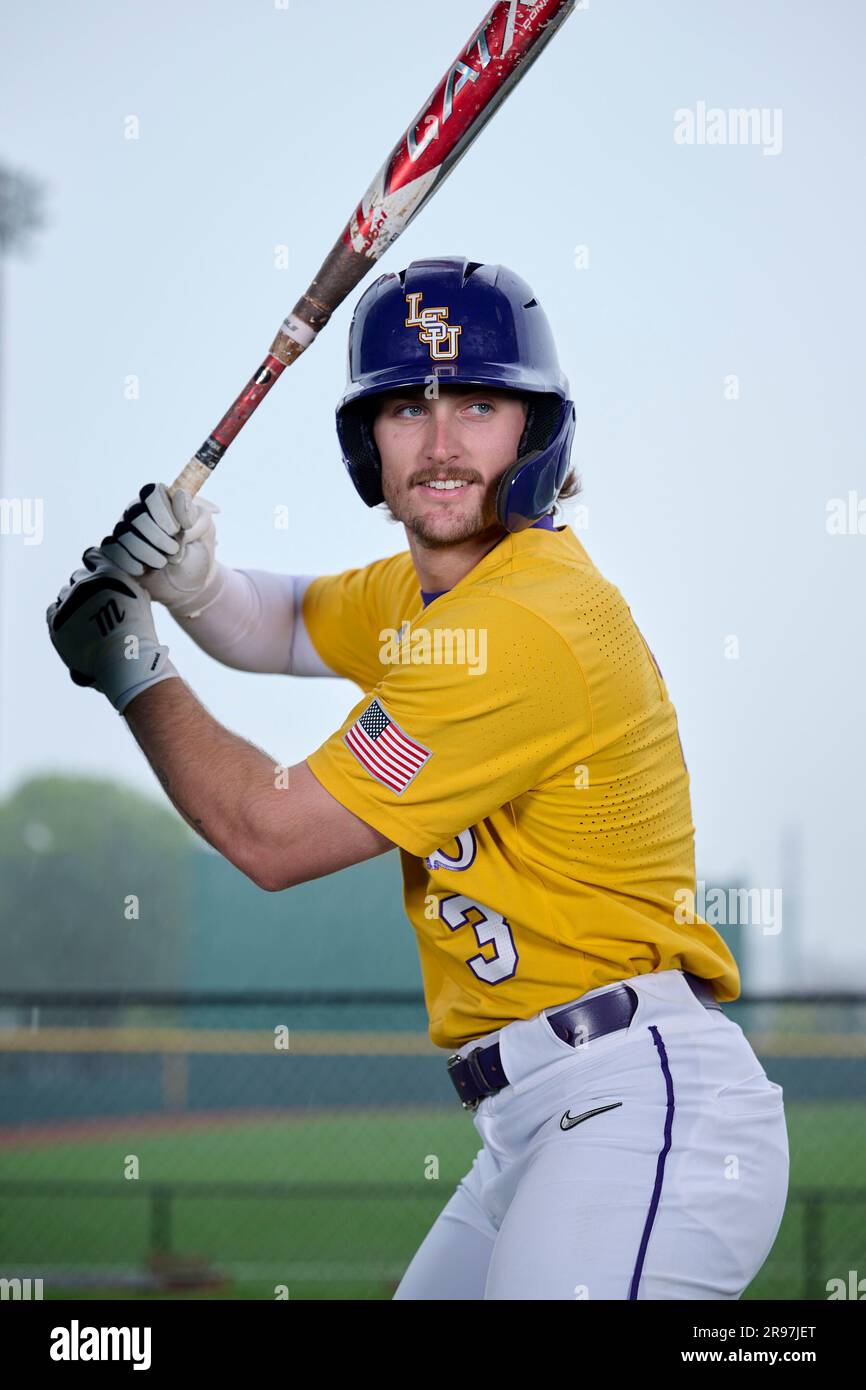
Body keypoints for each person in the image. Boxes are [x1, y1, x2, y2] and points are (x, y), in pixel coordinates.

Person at [46, 256, 789, 1300]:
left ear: (534, 432)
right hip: (529, 1123)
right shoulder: (431, 590)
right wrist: (194, 582)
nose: (440, 445)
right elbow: (286, 619)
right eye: (407, 408)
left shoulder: (517, 626)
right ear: (369, 442)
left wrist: (133, 667)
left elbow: (272, 835)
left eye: (478, 404)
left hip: (634, 1109)